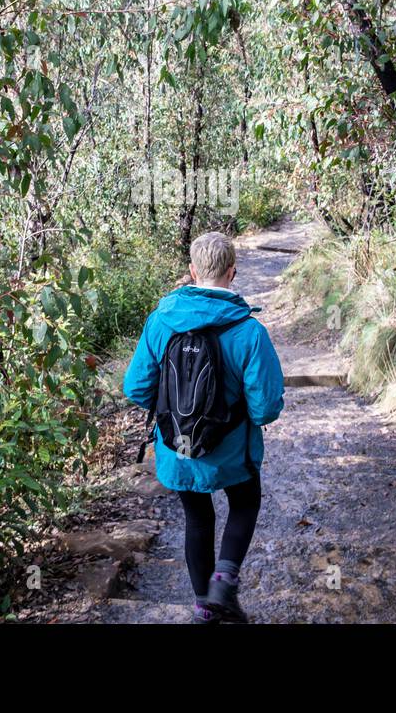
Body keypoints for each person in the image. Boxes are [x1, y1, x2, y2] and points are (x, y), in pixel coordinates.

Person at [123, 231, 285, 623]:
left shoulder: (161, 321)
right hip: (231, 452)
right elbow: (264, 409)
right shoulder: (249, 331)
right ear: (232, 272)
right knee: (245, 503)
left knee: (198, 520)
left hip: (178, 450)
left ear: (192, 271)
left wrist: (173, 410)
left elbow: (136, 388)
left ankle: (203, 609)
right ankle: (224, 583)